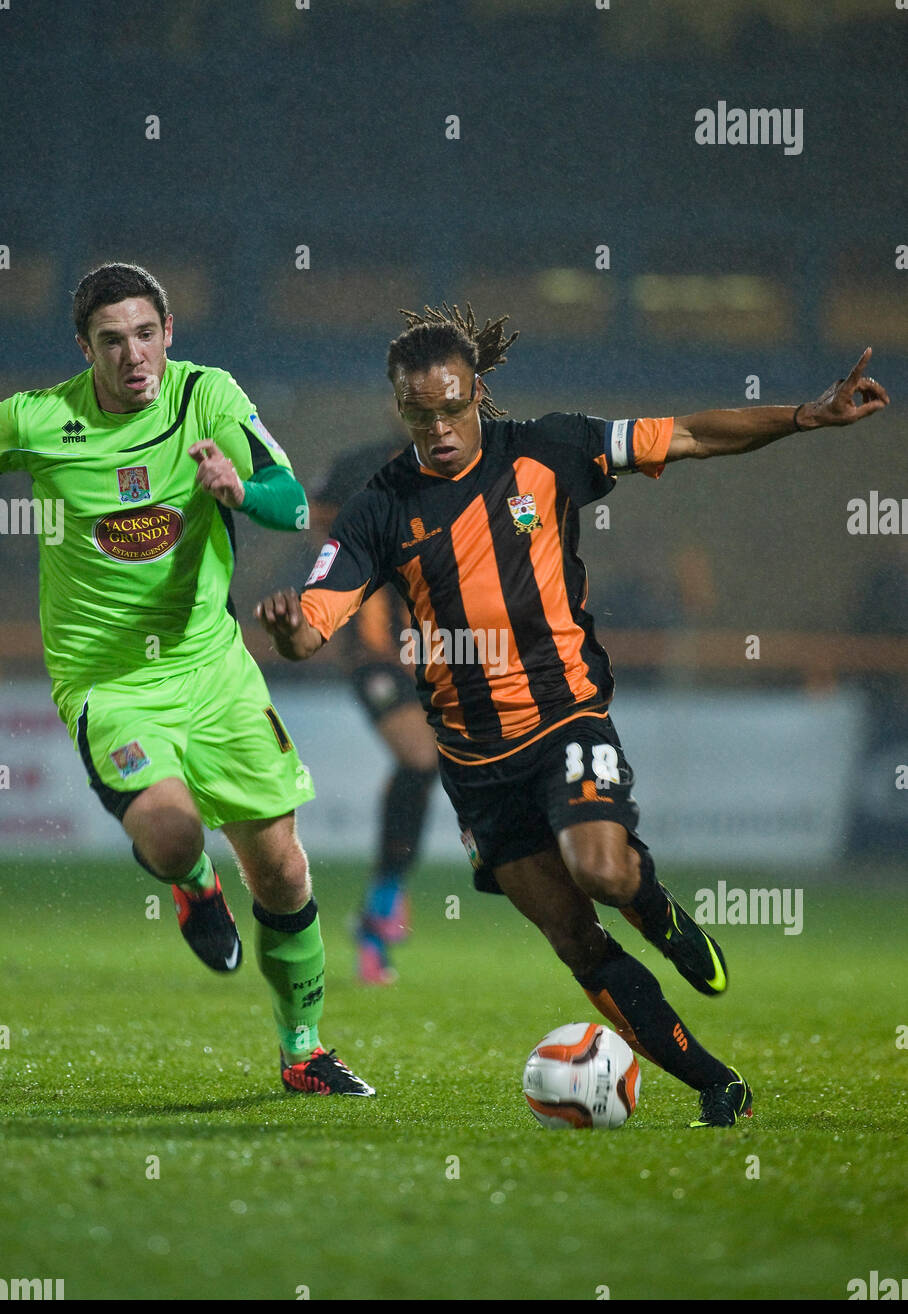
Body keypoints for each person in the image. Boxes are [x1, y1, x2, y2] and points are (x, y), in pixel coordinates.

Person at [255, 302, 888, 1126]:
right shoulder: (381, 505)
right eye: (420, 413)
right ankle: (715, 1082)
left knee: (602, 870)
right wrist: (290, 630)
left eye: (452, 407)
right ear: (400, 408)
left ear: (476, 392)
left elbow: (691, 434)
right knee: (574, 938)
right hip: (475, 762)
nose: (439, 427)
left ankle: (656, 908)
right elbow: (316, 624)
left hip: (565, 721)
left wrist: (806, 415)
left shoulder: (550, 448)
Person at [0, 261, 373, 1098]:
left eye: (145, 334)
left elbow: (289, 500)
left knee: (282, 872)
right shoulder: (38, 420)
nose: (133, 355)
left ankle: (304, 1051)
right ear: (84, 350)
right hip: (112, 684)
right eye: (111, 341)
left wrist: (239, 488)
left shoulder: (208, 396)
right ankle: (195, 885)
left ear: (168, 333)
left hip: (215, 673)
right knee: (171, 836)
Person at [310, 441, 438, 984]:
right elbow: (317, 514)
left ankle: (382, 905)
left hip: (435, 649)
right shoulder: (363, 460)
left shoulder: (464, 464)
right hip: (375, 652)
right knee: (422, 757)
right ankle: (383, 904)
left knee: (430, 769)